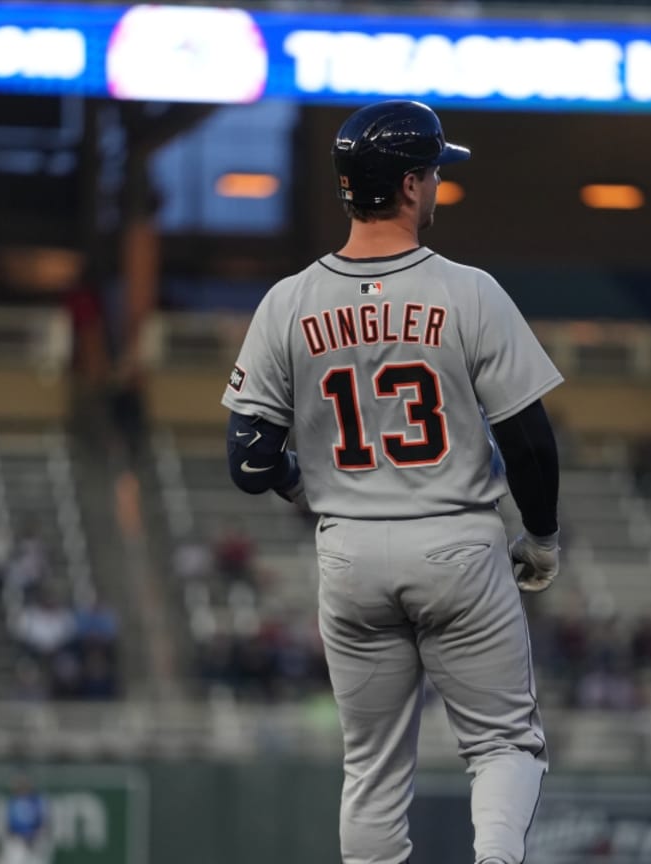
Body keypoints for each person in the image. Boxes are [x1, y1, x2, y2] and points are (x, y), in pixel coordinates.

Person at [221, 100, 563, 864]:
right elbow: (530, 441)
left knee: (372, 773)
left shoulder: (289, 301)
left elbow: (247, 459)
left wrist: (295, 485)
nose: (439, 184)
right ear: (409, 186)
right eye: (436, 172)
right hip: (455, 543)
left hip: (347, 554)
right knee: (505, 746)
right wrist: (539, 537)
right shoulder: (468, 290)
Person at [0, 776, 50, 864]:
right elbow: (9, 825)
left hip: (34, 842)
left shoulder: (36, 801)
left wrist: (34, 837)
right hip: (16, 841)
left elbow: (43, 824)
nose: (20, 789)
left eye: (22, 785)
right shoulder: (13, 802)